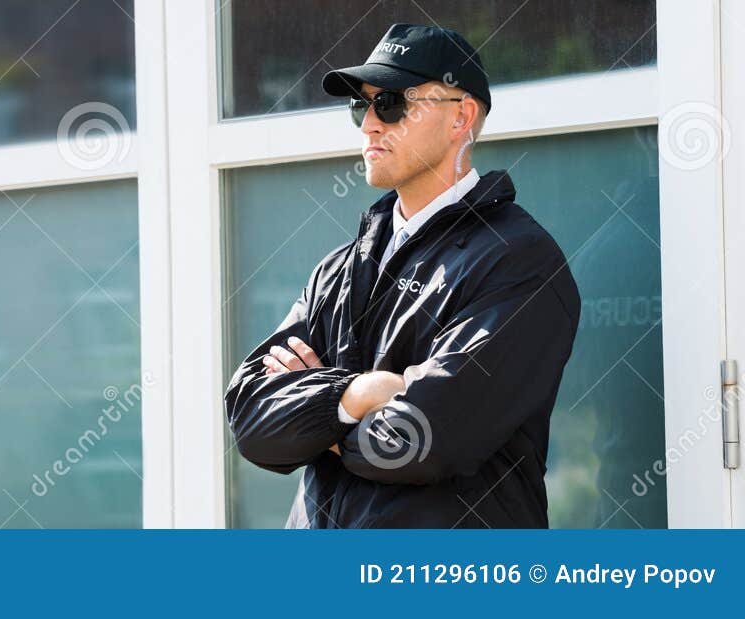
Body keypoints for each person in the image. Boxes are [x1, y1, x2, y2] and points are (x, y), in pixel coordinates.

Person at [223, 24, 580, 528]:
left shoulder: (518, 260)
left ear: (462, 115)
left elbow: (421, 441)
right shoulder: (337, 270)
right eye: (359, 107)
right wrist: (361, 396)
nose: (369, 123)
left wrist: (313, 415)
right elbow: (253, 424)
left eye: (390, 103)